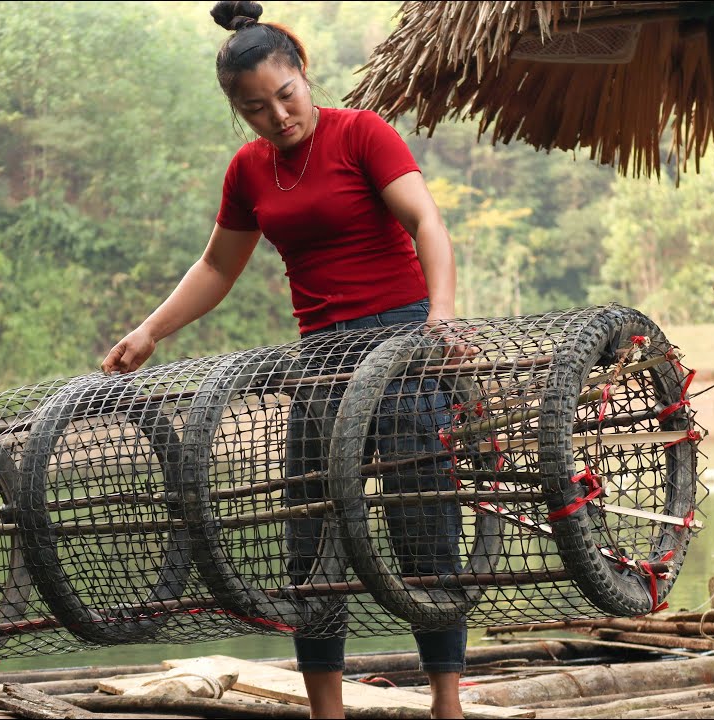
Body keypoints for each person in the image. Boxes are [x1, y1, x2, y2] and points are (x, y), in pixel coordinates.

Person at [100, 2, 467, 717]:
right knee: (311, 536)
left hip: (402, 345)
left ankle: (445, 704)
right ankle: (326, 709)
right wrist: (149, 333)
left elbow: (426, 220)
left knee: (423, 522)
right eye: (255, 108)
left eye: (286, 95)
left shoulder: (361, 133)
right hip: (320, 362)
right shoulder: (248, 170)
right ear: (237, 111)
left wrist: (441, 315)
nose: (277, 116)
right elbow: (217, 266)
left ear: (303, 73)